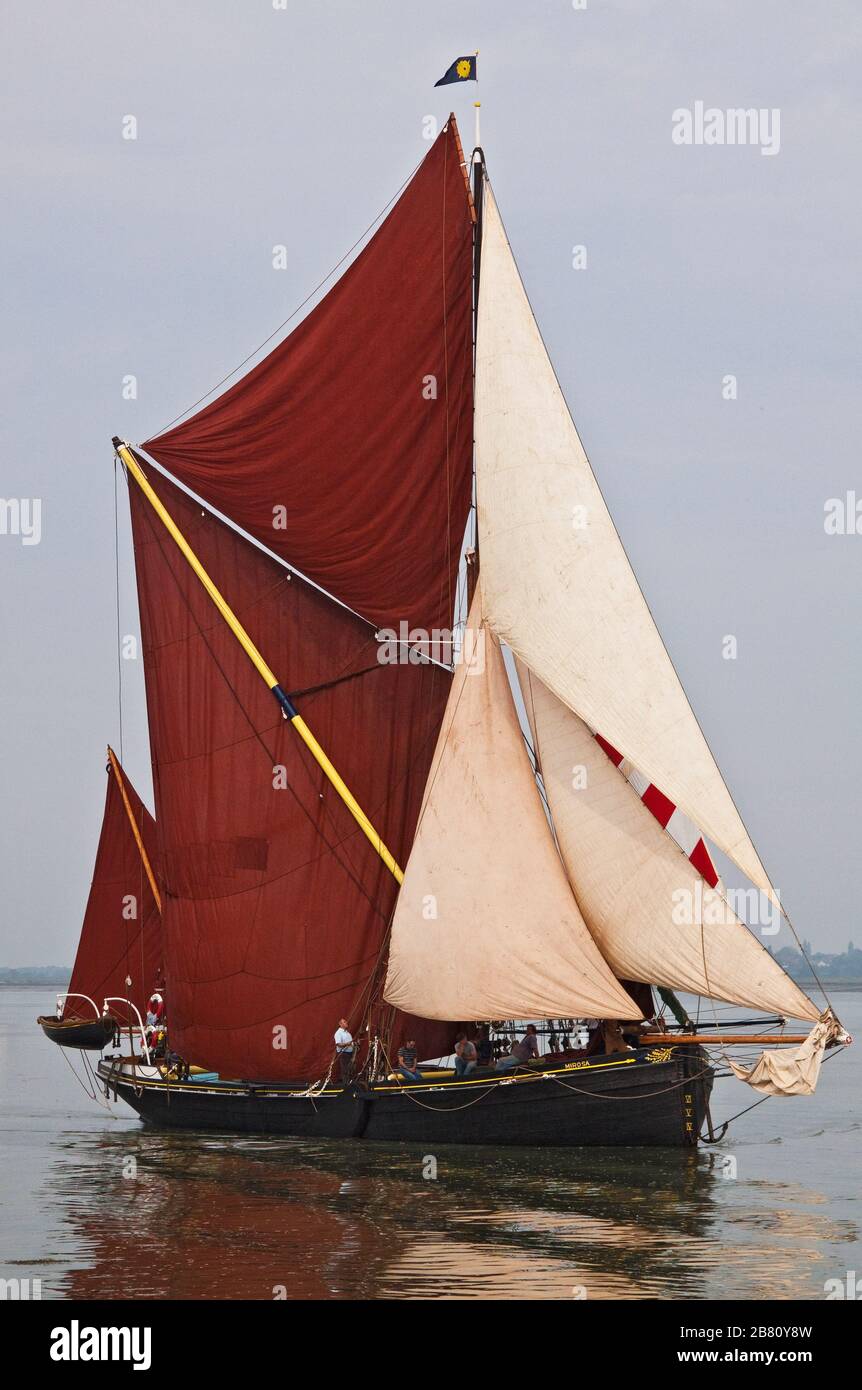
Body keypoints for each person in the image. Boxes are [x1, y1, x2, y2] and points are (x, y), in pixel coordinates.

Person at [334, 1018, 354, 1085]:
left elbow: (351, 1043)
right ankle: (345, 1085)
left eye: (346, 1022)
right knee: (345, 1070)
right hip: (343, 1054)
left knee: (350, 1069)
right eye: (344, 1022)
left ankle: (350, 1083)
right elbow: (338, 1044)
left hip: (350, 1054)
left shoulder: (347, 1033)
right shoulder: (338, 1033)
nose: (346, 1023)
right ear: (340, 1024)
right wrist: (346, 1044)